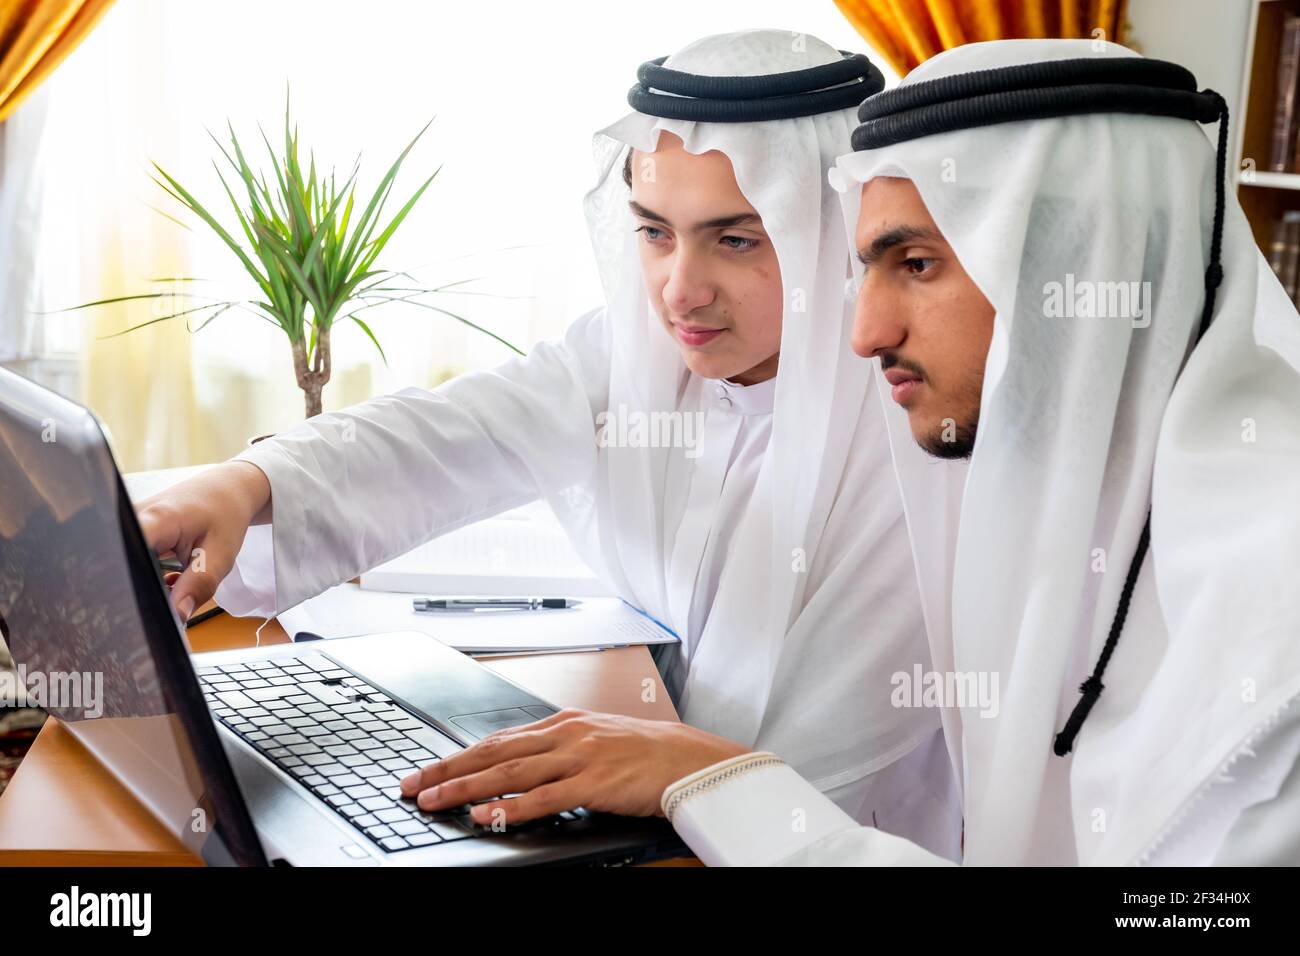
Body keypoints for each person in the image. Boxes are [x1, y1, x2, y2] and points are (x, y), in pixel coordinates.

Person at [137, 30, 962, 858]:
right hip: (654, 784)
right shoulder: (638, 347)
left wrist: (663, 771)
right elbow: (464, 430)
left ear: (830, 234)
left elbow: (807, 777)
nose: (681, 289)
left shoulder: (915, 423)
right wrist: (250, 483)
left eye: (736, 239)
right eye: (654, 233)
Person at [646, 38, 1300, 865]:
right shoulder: (1055, 491)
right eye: (865, 273)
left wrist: (722, 788)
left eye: (917, 264)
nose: (865, 334)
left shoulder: (1276, 584)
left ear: (1077, 260)